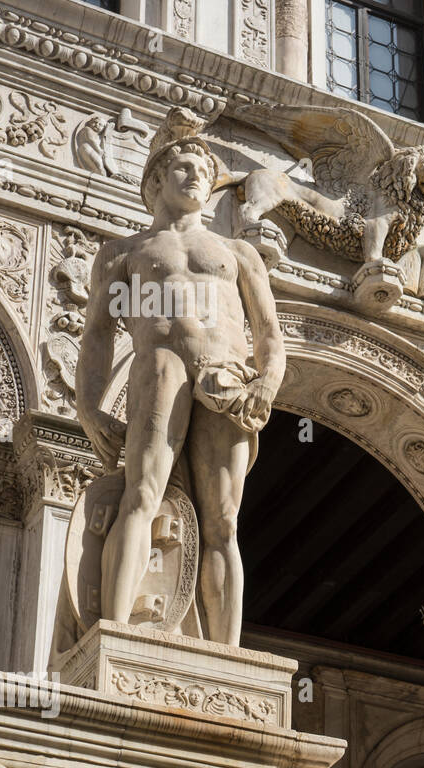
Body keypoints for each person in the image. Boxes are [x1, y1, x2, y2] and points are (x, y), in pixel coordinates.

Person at [76, 108, 285, 647]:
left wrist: (266, 383)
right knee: (141, 495)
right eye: (183, 168)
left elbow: (269, 335)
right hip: (161, 365)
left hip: (228, 378)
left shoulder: (237, 253)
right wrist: (88, 405)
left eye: (202, 170)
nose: (196, 178)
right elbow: (98, 333)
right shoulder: (126, 252)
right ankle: (114, 634)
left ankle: (227, 652)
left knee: (224, 522)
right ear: (156, 182)